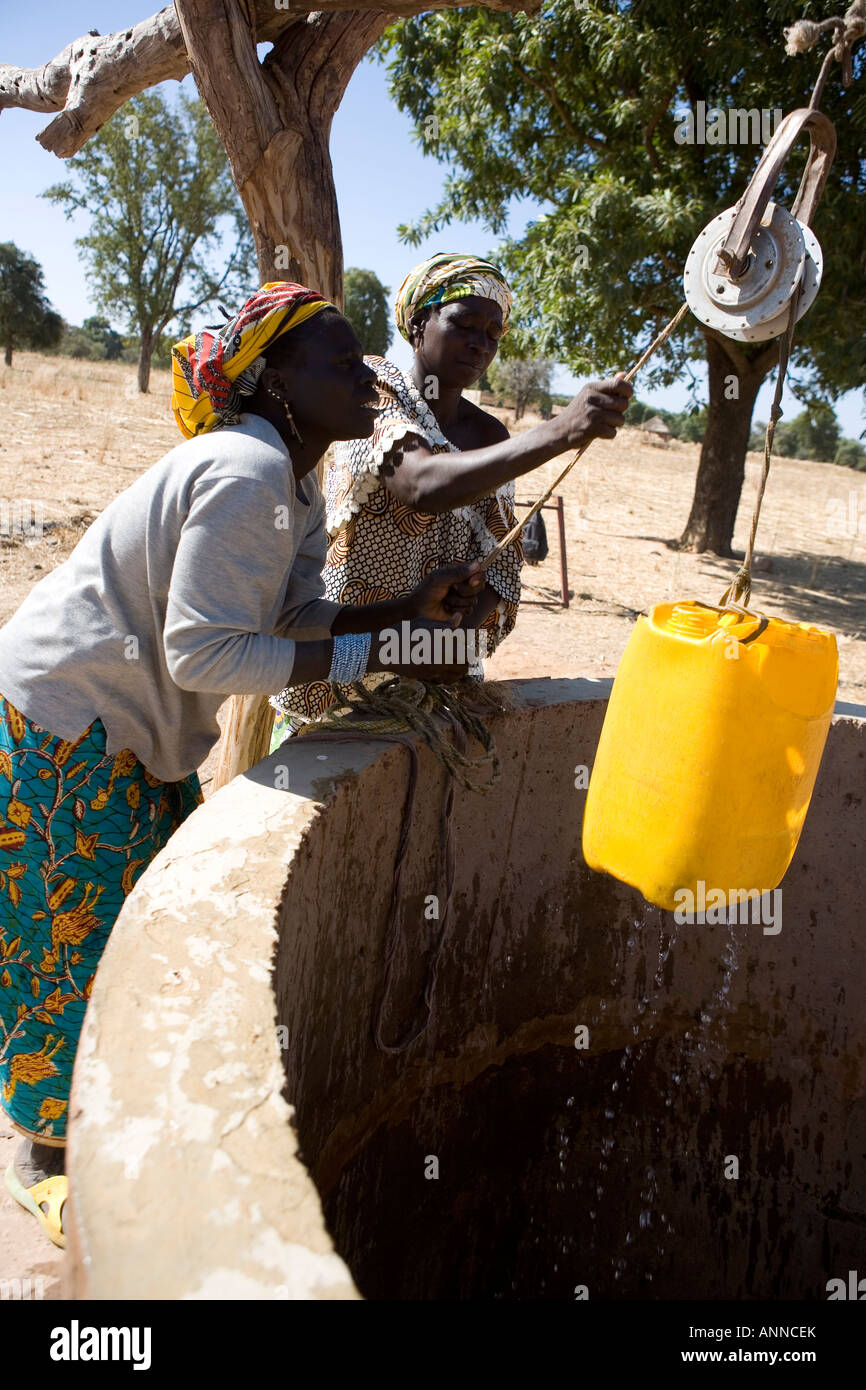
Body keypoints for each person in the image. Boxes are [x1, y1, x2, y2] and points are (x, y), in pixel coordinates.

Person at [0, 281, 482, 1247]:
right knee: (66, 940)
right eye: (340, 363)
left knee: (129, 918)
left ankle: (97, 1115)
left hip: (129, 724)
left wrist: (403, 613)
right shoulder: (248, 471)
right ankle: (45, 1158)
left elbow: (288, 620)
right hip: (72, 723)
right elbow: (206, 654)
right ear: (274, 381)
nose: (367, 377)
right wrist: (375, 654)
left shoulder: (292, 481)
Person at [269, 251, 633, 742]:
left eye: (493, 334)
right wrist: (561, 431)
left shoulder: (490, 435)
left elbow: (500, 564)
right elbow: (423, 485)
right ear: (419, 324)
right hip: (339, 663)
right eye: (464, 324)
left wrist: (456, 636)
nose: (480, 344)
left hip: (435, 680)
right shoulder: (373, 389)